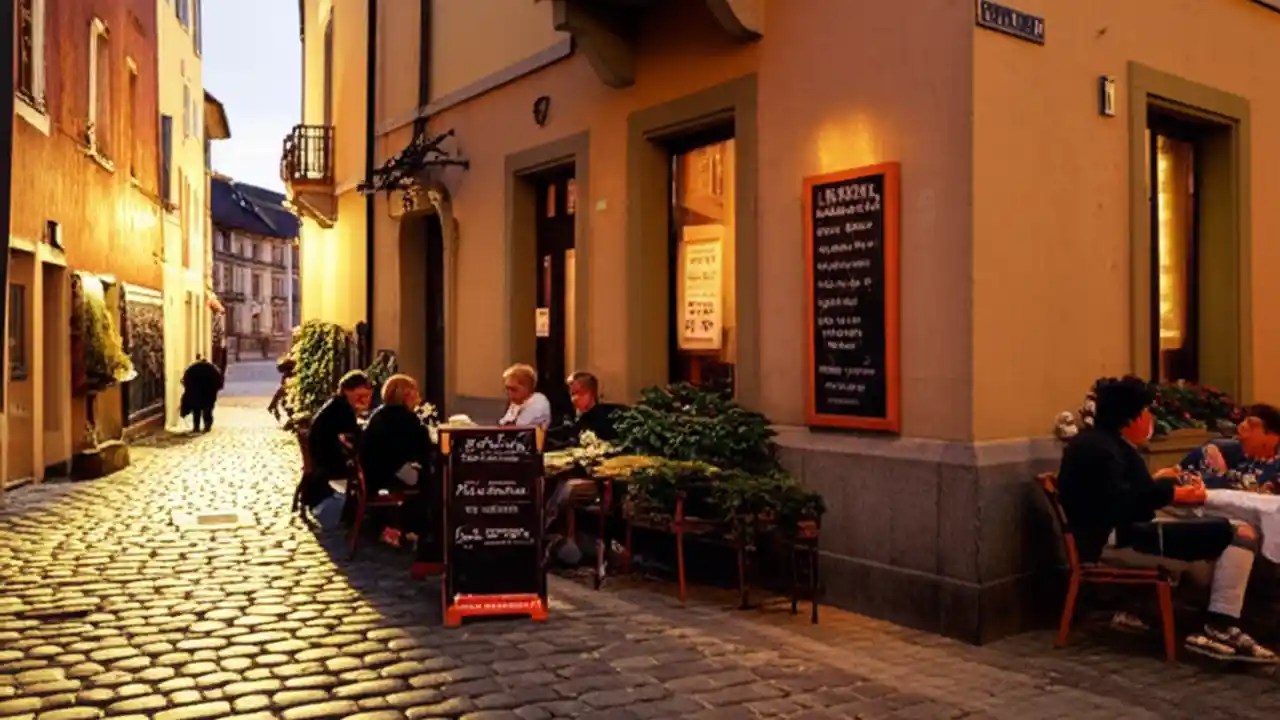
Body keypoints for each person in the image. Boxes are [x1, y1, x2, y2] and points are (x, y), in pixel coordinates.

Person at [1057, 376, 1275, 663]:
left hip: (1121, 530)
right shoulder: (1102, 450)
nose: (1151, 420)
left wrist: (1165, 492)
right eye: (1147, 413)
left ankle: (1215, 617)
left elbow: (1134, 496)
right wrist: (1167, 492)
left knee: (1230, 531)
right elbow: (1126, 504)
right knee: (1238, 533)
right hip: (1115, 539)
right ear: (1131, 418)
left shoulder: (1104, 444)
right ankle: (1220, 624)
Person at [359, 374, 438, 568]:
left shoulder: (380, 414)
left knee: (425, 476)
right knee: (434, 481)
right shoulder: (404, 418)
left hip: (377, 471)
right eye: (415, 394)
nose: (418, 398)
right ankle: (423, 529)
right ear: (406, 396)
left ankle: (407, 526)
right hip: (388, 473)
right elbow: (422, 447)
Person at [301, 371, 374, 510]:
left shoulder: (337, 404)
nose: (365, 401)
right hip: (329, 463)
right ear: (347, 391)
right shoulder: (342, 410)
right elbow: (356, 439)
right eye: (360, 396)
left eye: (367, 397)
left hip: (322, 458)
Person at [1180, 404, 1280, 494]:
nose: (1241, 427)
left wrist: (1220, 476)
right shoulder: (1234, 450)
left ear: (1273, 435)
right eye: (1244, 421)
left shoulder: (1275, 466)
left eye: (1251, 424)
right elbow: (1179, 472)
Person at [498, 363, 552, 429]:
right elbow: (503, 424)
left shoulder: (539, 401)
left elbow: (520, 427)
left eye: (513, 389)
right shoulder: (516, 404)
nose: (508, 393)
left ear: (527, 387)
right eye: (507, 388)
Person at [181, 355, 224, 433]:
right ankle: (207, 425)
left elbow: (185, 380)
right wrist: (215, 389)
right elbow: (219, 382)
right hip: (209, 393)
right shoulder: (212, 369)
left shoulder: (192, 369)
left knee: (196, 410)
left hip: (196, 392)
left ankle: (196, 427)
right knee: (208, 410)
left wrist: (190, 389)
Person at [268, 356, 297, 421]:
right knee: (284, 400)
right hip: (289, 393)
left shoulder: (290, 374)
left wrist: (273, 404)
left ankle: (293, 418)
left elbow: (281, 390)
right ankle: (292, 418)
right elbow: (281, 390)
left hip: (294, 395)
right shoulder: (286, 374)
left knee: (285, 401)